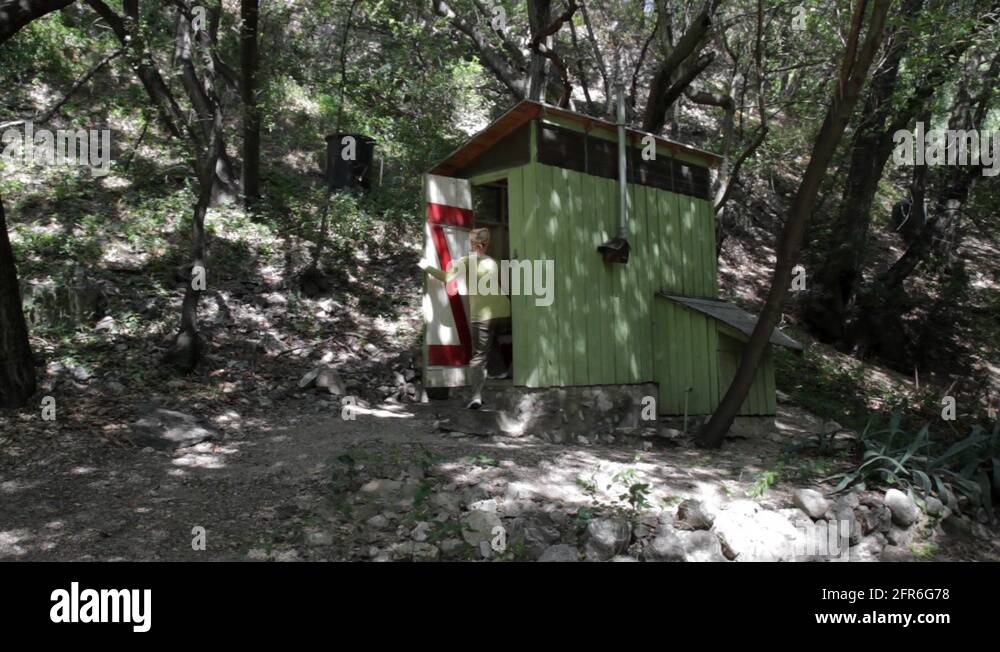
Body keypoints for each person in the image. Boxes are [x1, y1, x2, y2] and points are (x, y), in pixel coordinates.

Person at [419, 228, 510, 409]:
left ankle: (476, 396)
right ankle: (500, 371)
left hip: (482, 315)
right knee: (490, 341)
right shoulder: (494, 262)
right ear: (487, 243)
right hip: (504, 310)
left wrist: (426, 266)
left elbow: (446, 277)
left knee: (478, 356)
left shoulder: (467, 261)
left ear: (473, 244)